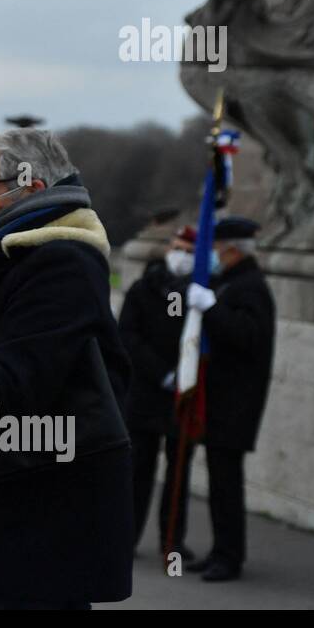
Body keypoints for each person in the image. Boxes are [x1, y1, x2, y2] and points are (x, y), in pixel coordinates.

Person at [0, 128, 132, 609]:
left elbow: (10, 389)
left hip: (38, 524)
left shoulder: (60, 262)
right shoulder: (1, 256)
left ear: (34, 189)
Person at [176, 215, 275, 582]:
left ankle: (229, 556)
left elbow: (247, 336)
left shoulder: (251, 287)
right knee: (220, 481)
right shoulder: (234, 282)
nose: (213, 254)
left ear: (232, 250)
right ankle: (221, 550)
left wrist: (211, 307)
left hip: (236, 402)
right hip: (221, 399)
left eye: (217, 248)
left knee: (226, 483)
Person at [120, 225, 195, 557]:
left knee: (179, 473)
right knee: (138, 471)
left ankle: (172, 542)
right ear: (168, 249)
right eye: (179, 248)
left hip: (184, 396)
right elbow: (129, 337)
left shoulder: (199, 294)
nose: (183, 257)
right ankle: (126, 538)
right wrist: (163, 373)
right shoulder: (144, 289)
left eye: (191, 252)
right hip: (146, 393)